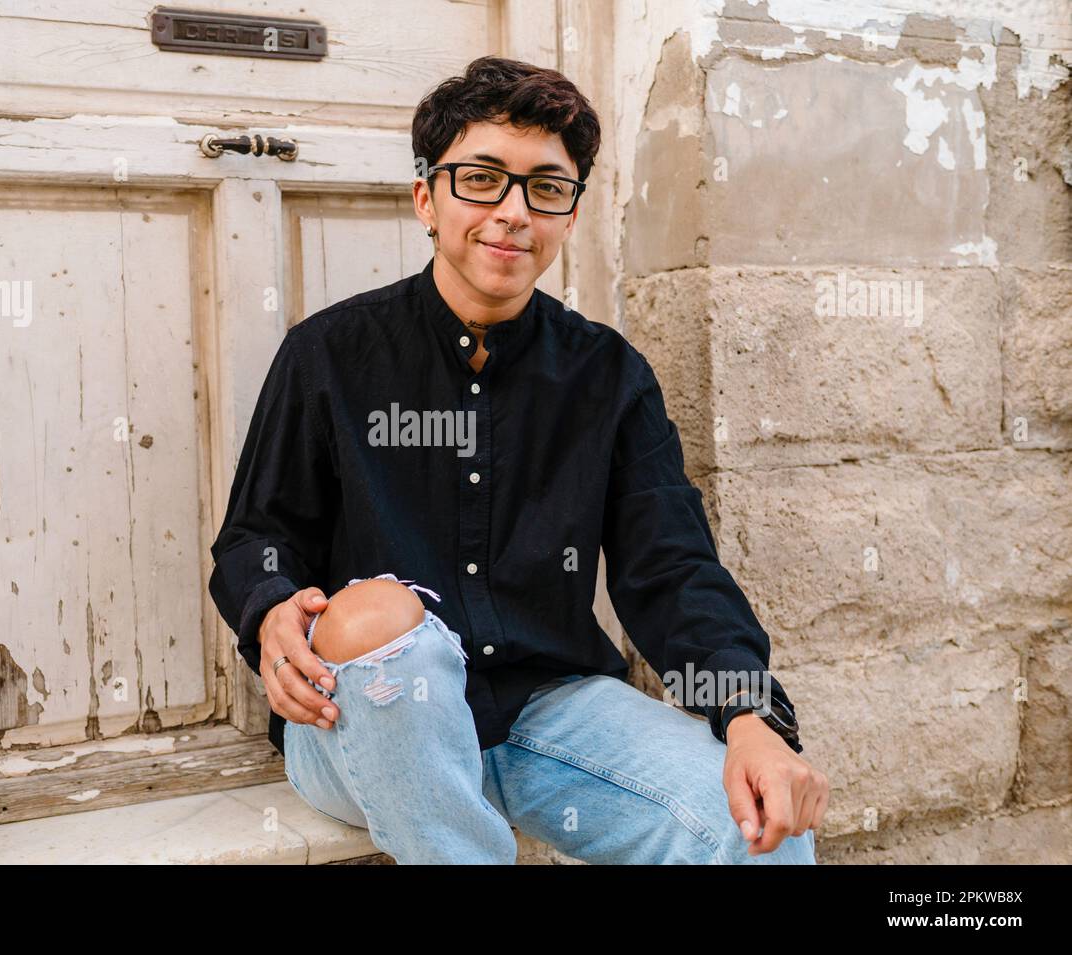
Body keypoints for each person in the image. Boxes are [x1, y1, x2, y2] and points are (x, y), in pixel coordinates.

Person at [208, 55, 827, 864]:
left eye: (544, 187)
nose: (511, 212)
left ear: (569, 215)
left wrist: (750, 716)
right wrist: (271, 608)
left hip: (544, 711)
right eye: (483, 179)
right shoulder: (329, 354)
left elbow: (672, 567)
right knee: (381, 614)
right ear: (427, 197)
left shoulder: (609, 376)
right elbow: (255, 534)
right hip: (368, 716)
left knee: (759, 833)